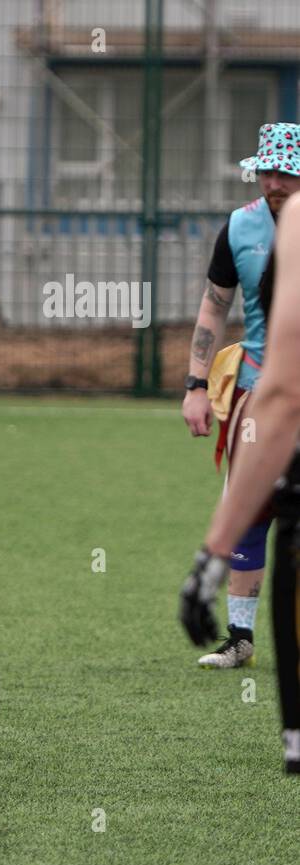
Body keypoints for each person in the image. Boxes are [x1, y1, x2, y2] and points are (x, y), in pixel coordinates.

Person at [181, 190, 300, 775]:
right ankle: (242, 637)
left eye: (290, 173)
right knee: (260, 509)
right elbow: (214, 304)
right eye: (269, 171)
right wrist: (196, 383)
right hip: (263, 392)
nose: (278, 184)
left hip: (279, 393)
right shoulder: (243, 227)